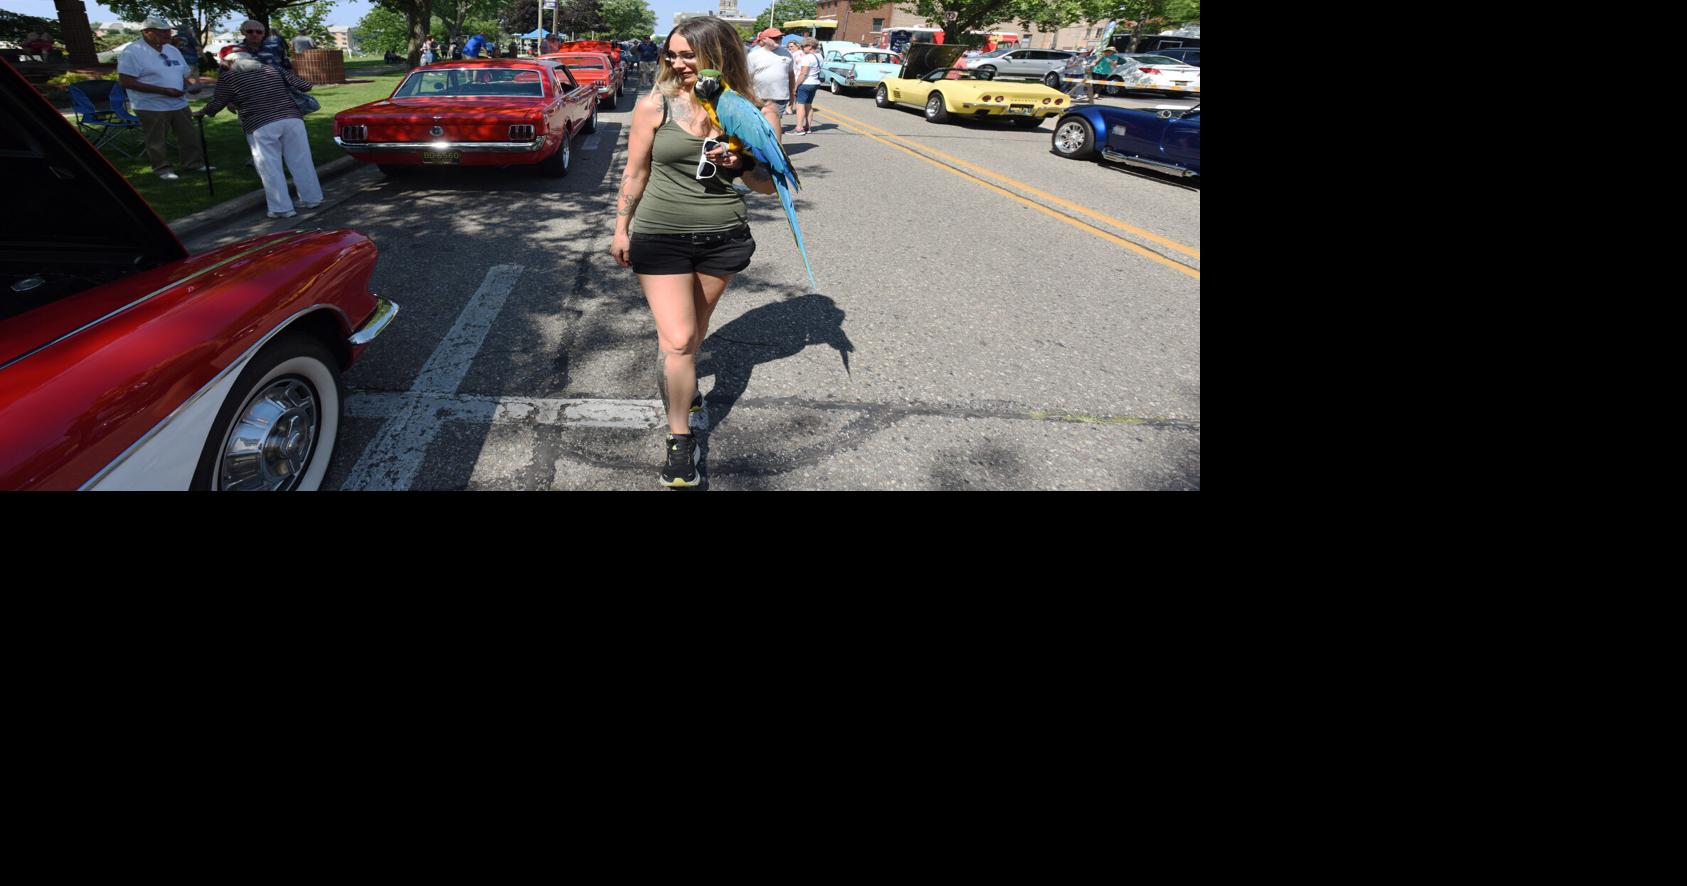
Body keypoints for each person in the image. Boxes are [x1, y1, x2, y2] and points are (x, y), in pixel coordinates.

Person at [610, 16, 780, 488]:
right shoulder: (652, 106)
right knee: (680, 340)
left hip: (721, 238)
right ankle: (680, 437)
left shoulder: (752, 110)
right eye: (673, 53)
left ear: (718, 55)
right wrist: (621, 227)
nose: (678, 63)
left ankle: (686, 390)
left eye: (690, 55)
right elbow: (636, 172)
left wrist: (742, 162)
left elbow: (767, 188)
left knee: (695, 332)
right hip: (659, 236)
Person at [196, 46, 322, 219]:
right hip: (292, 118)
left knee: (269, 166)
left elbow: (217, 102)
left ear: (229, 61)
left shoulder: (229, 77)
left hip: (260, 123)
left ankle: (282, 208)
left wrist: (202, 112)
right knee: (301, 160)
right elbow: (305, 86)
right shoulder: (273, 69)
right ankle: (312, 199)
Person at [116, 17, 210, 181]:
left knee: (188, 135)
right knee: (156, 140)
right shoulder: (133, 51)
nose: (167, 34)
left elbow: (184, 73)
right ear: (147, 32)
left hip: (178, 102)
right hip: (150, 105)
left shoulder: (172, 49)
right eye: (162, 31)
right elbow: (126, 82)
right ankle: (162, 169)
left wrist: (192, 86)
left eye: (168, 30)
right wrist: (163, 90)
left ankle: (193, 164)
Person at [746, 27, 793, 142]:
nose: (778, 39)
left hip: (779, 98)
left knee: (773, 126)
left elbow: (791, 75)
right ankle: (762, 152)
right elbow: (747, 78)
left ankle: (776, 153)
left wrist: (793, 94)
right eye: (775, 38)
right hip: (758, 98)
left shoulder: (787, 54)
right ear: (764, 39)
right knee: (758, 127)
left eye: (780, 37)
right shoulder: (753, 55)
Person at [791, 38, 822, 136]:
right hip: (815, 82)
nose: (802, 48)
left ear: (810, 46)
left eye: (804, 46)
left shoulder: (807, 58)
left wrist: (795, 86)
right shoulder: (819, 56)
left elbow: (803, 73)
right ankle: (808, 127)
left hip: (806, 83)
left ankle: (799, 128)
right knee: (808, 105)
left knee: (800, 106)